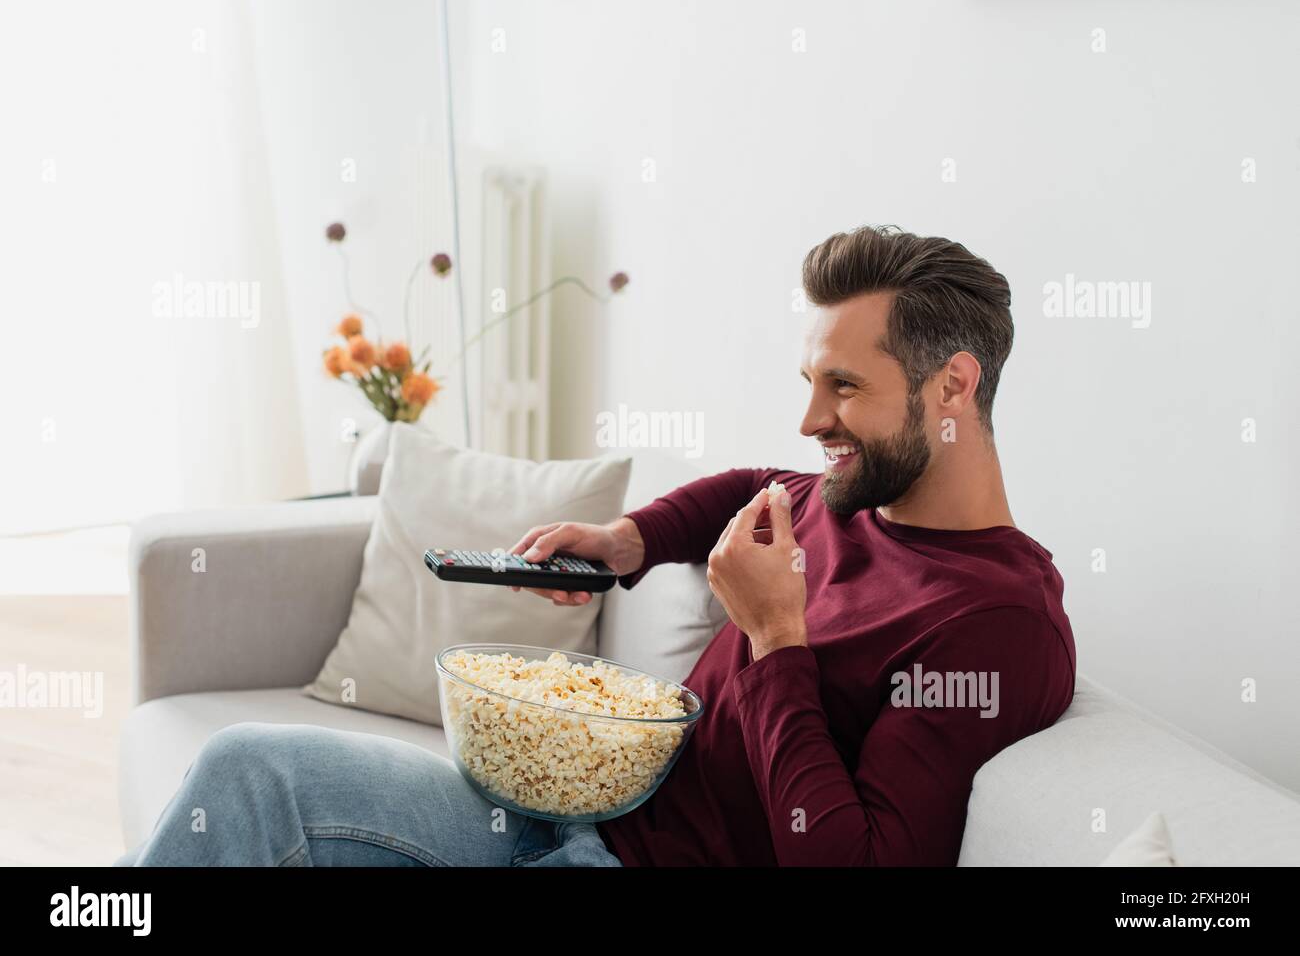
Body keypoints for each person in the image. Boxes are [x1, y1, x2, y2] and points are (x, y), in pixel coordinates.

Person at [115, 224, 1075, 867]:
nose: (811, 416)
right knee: (246, 771)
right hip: (576, 809)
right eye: (810, 380)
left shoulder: (991, 625)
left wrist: (782, 643)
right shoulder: (852, 493)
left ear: (953, 387)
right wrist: (628, 540)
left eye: (844, 387)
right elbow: (751, 487)